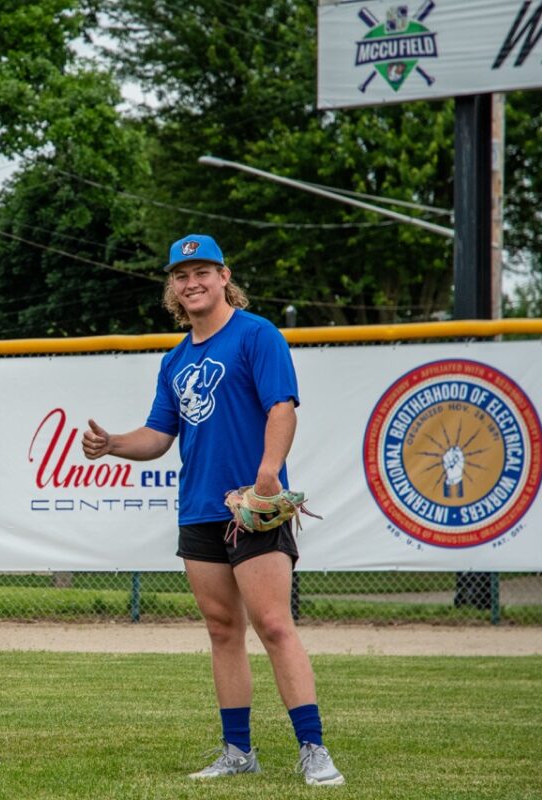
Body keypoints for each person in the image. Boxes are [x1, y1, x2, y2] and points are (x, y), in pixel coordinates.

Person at [80, 234, 344, 787]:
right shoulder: (176, 358)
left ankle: (313, 748)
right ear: (172, 287)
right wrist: (113, 444)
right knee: (223, 629)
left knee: (273, 624)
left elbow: (281, 407)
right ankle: (238, 750)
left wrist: (269, 471)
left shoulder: (256, 335)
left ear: (225, 276)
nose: (191, 282)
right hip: (199, 508)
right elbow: (158, 435)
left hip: (253, 507)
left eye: (202, 271)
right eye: (181, 274)